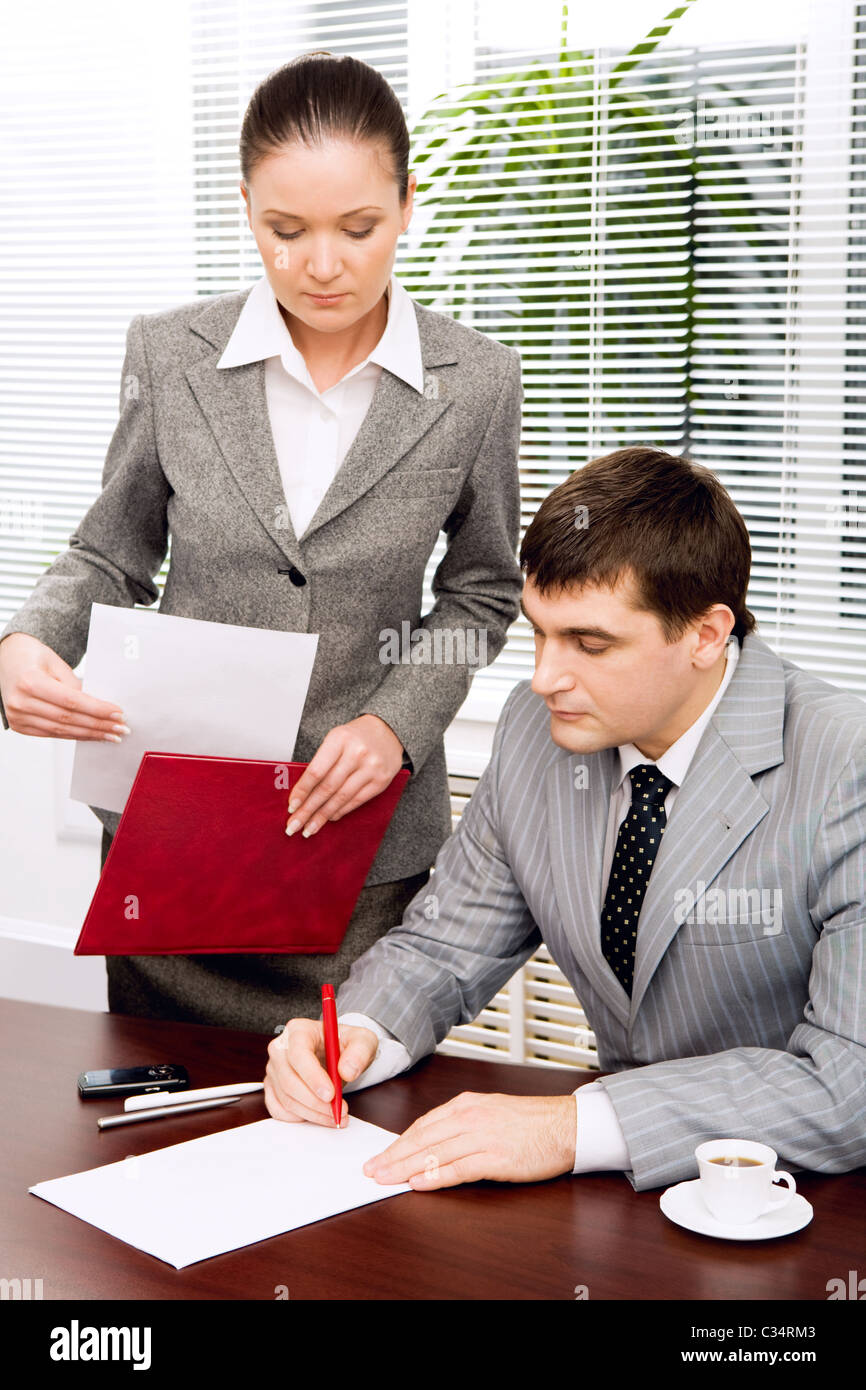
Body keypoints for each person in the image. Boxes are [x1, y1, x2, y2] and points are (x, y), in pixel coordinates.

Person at [0, 51, 523, 1032]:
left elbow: (484, 589)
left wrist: (395, 725)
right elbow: (109, 553)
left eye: (357, 228)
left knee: (349, 1141)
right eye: (285, 231)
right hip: (176, 838)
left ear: (407, 205)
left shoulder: (478, 382)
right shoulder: (169, 354)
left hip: (359, 851)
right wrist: (24, 643)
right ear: (246, 209)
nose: (320, 264)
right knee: (152, 1134)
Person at [264, 446, 866, 1193]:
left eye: (591, 643)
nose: (546, 677)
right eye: (539, 632)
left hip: (804, 1197)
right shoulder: (534, 730)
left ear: (706, 636)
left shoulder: (847, 766)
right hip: (623, 1204)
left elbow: (851, 1083)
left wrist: (573, 1124)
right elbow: (443, 947)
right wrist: (357, 1036)